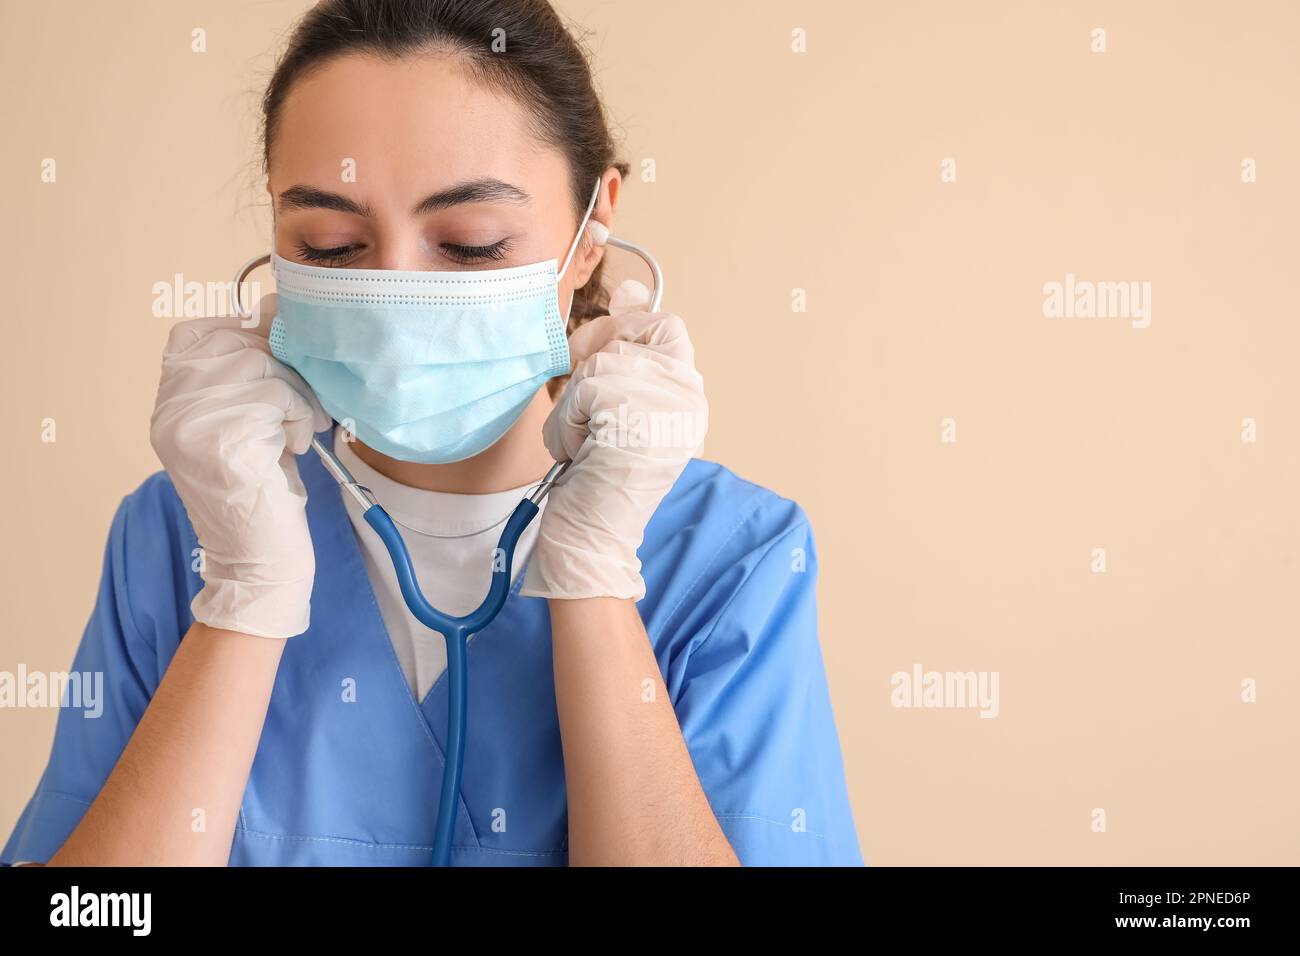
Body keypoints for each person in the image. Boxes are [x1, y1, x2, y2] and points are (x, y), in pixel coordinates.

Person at [3, 0, 861, 867]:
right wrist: (244, 596)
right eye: (332, 244)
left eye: (471, 242)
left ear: (592, 233)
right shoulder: (172, 534)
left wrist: (596, 581)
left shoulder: (733, 559)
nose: (395, 296)